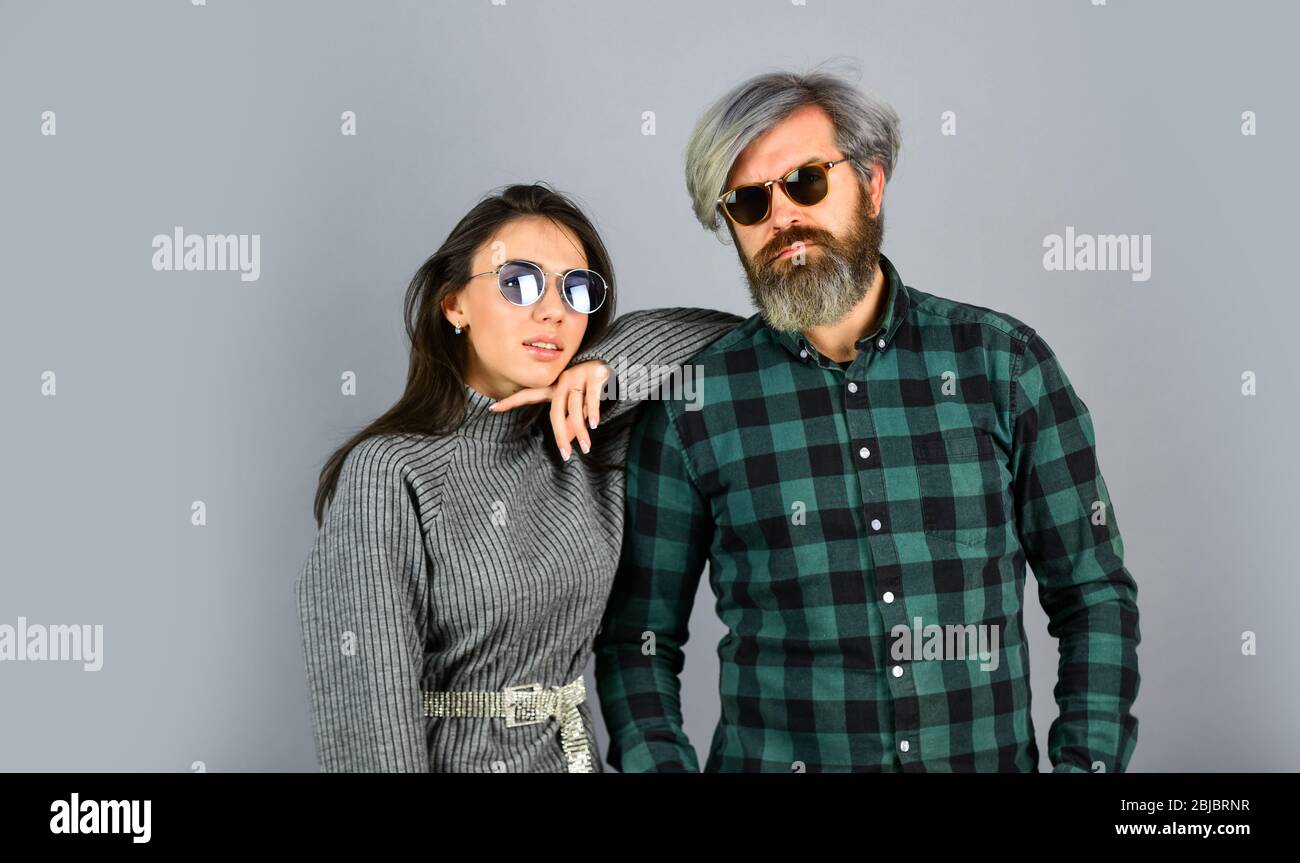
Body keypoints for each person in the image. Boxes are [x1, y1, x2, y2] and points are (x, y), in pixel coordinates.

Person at [594, 69, 1141, 772]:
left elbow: (1092, 594)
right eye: (750, 201)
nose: (783, 217)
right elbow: (637, 640)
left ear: (872, 183)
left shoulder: (1004, 365)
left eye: (808, 181)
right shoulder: (695, 405)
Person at [295, 182, 741, 772]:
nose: (552, 309)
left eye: (576, 289)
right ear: (453, 304)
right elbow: (367, 724)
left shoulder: (589, 441)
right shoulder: (389, 472)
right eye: (518, 282)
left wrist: (602, 368)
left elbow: (737, 337)